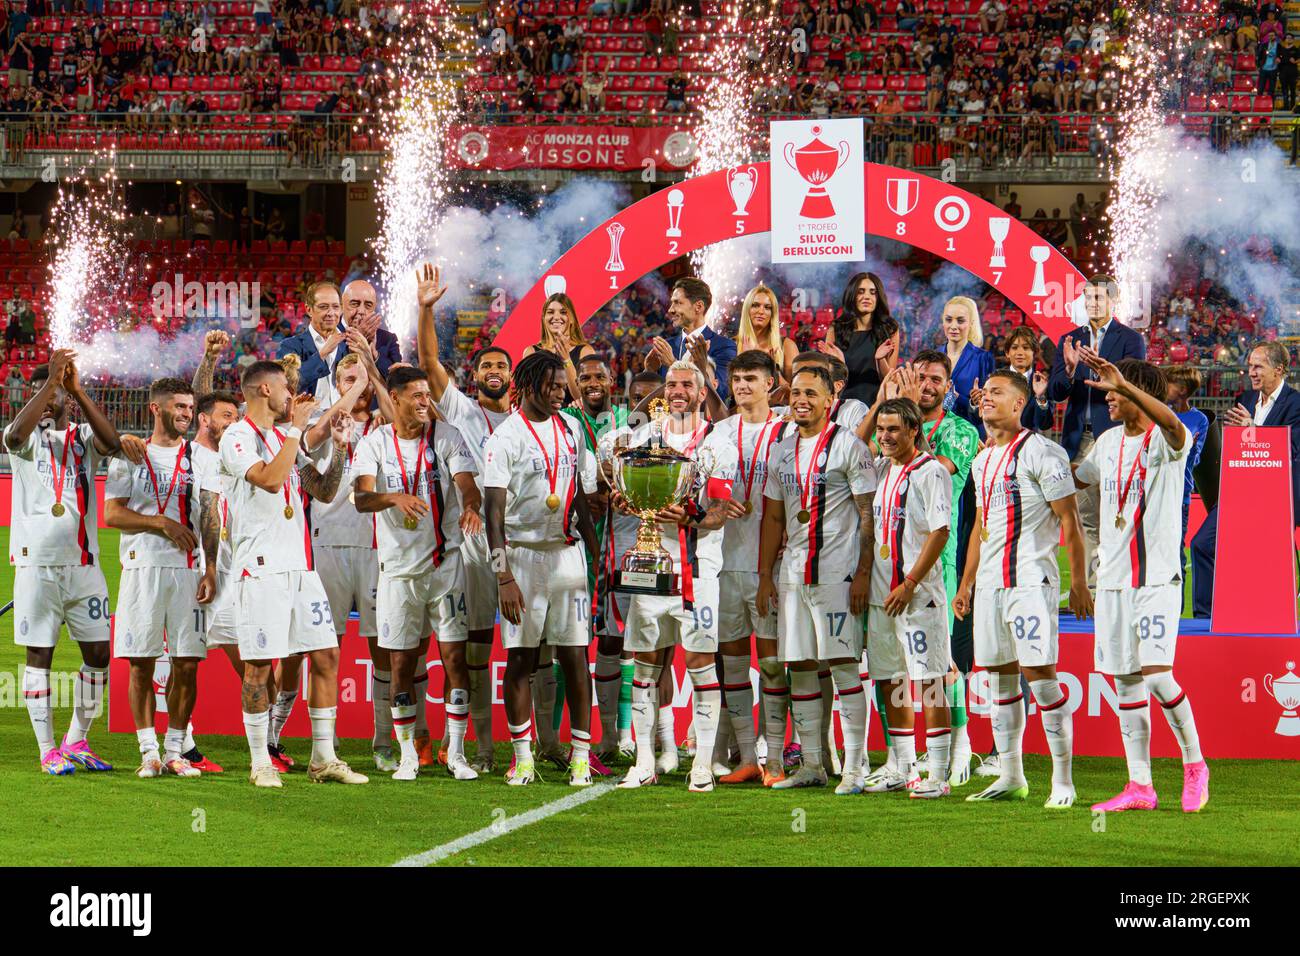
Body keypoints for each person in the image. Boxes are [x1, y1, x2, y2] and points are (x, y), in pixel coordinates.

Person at [1071, 353, 1209, 814]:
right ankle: (1140, 786)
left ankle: (1195, 764)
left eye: (1114, 389)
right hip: (1112, 580)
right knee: (1126, 682)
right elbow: (1078, 476)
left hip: (1155, 578)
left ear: (1137, 392)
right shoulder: (1108, 443)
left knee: (1157, 675)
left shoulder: (1170, 439)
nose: (1107, 396)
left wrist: (1128, 387)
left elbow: (1171, 421)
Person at [218, 360, 363, 788]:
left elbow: (322, 489)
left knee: (326, 656)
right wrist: (298, 430)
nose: (291, 396)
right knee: (260, 668)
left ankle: (323, 757)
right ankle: (260, 760)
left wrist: (337, 445)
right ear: (264, 389)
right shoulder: (238, 437)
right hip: (261, 570)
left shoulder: (285, 436)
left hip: (301, 570)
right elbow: (269, 479)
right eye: (285, 388)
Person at [954, 370, 1092, 807]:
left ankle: (1063, 781)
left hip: (1031, 582)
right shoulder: (981, 460)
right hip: (991, 585)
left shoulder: (1044, 453)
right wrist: (966, 584)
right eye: (985, 393)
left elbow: (1069, 520)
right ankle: (1011, 776)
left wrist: (1080, 583)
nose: (986, 399)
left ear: (1019, 404)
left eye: (997, 393)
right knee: (999, 680)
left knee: (1041, 679)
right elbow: (980, 526)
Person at [615, 360, 742, 792]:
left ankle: (702, 764)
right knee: (646, 668)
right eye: (671, 384)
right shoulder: (643, 438)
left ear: (702, 392)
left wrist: (692, 515)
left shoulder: (718, 442)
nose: (678, 391)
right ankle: (645, 762)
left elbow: (721, 512)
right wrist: (626, 500)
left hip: (698, 571)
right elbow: (629, 495)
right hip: (650, 565)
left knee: (701, 665)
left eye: (687, 384)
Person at [353, 365, 483, 781]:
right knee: (402, 665)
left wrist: (470, 505)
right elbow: (361, 498)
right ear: (395, 398)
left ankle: (457, 752)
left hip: (445, 568)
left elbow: (467, 483)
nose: (425, 401)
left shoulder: (446, 437)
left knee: (454, 659)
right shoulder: (374, 443)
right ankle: (408, 753)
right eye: (416, 395)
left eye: (428, 394)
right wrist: (395, 497)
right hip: (397, 573)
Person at [756, 363, 877, 793]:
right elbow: (772, 518)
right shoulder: (780, 450)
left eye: (810, 394)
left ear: (830, 400)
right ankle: (811, 765)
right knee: (802, 667)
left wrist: (863, 574)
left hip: (836, 573)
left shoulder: (852, 447)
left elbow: (868, 515)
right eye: (795, 395)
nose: (801, 401)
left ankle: (855, 768)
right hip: (792, 574)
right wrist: (763, 577)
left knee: (844, 667)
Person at [483, 351, 600, 786]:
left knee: (574, 656)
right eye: (551, 387)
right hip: (522, 556)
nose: (559, 394)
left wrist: (596, 555)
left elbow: (583, 500)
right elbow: (491, 515)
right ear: (529, 386)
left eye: (560, 387)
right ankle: (523, 758)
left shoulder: (571, 428)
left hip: (567, 555)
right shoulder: (505, 438)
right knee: (521, 658)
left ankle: (582, 759)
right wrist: (503, 576)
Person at [864, 353, 980, 786]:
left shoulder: (959, 432)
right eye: (918, 377)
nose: (926, 384)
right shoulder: (888, 454)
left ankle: (957, 745)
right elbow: (864, 455)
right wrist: (887, 403)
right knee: (893, 669)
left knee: (936, 667)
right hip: (887, 577)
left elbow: (941, 482)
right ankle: (903, 762)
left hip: (934, 568)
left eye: (935, 379)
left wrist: (907, 409)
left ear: (949, 386)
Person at [4, 351, 121, 776]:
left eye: (57, 396)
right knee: (41, 655)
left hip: (85, 566)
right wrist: (49, 383)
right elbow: (15, 436)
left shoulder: (85, 438)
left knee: (98, 655)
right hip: (38, 568)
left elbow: (113, 444)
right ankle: (47, 749)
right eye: (45, 393)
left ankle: (76, 740)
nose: (52, 401)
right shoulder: (25, 439)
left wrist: (75, 389)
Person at [416, 263, 511, 771]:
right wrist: (426, 309)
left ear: (512, 376)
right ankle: (482, 747)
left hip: (521, 544)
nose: (492, 371)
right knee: (476, 650)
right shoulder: (459, 411)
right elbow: (429, 360)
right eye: (485, 366)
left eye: (501, 365)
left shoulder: (526, 421)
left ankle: (533, 746)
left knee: (527, 649)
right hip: (471, 543)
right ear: (475, 377)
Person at [105, 378, 220, 779]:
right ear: (156, 409)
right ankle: (148, 751)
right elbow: (113, 514)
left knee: (187, 664)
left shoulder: (201, 458)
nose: (187, 414)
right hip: (142, 567)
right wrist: (160, 523)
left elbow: (209, 514)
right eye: (179, 407)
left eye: (190, 408)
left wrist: (211, 568)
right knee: (141, 662)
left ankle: (175, 750)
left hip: (188, 570)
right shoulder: (130, 454)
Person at [304, 352, 396, 771]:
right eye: (346, 378)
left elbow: (398, 418)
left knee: (382, 647)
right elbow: (314, 441)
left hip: (377, 545)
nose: (354, 385)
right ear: (336, 383)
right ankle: (328, 742)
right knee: (328, 647)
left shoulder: (383, 425)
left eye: (360, 378)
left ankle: (382, 741)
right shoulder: (320, 422)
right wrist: (354, 393)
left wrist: (373, 380)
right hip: (330, 545)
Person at [860, 398, 954, 798]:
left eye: (894, 429)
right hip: (883, 595)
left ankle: (938, 775)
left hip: (917, 596)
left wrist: (910, 581)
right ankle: (901, 765)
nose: (885, 436)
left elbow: (940, 531)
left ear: (914, 431)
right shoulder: (880, 469)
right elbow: (853, 445)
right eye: (881, 429)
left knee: (929, 682)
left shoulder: (931, 471)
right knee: (891, 678)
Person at [713, 351, 785, 785]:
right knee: (735, 666)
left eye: (750, 379)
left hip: (771, 568)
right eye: (736, 379)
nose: (741, 386)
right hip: (725, 563)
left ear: (771, 383)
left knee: (774, 665)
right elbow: (704, 486)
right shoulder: (718, 432)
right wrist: (719, 502)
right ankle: (745, 758)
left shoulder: (787, 432)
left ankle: (774, 759)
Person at [1045, 275, 1146, 585]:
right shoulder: (1069, 338)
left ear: (1113, 301)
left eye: (1099, 298)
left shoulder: (1130, 340)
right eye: (1088, 298)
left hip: (1116, 436)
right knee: (1087, 518)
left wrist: (1105, 373)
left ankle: (1120, 581)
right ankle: (1091, 589)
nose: (1092, 303)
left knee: (1118, 513)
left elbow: (1134, 388)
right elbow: (1055, 392)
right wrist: (1072, 371)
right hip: (1080, 438)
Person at [1191, 341, 1300, 618]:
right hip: (1240, 492)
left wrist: (1253, 429)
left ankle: (1262, 618)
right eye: (1250, 365)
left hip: (1275, 499)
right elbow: (1243, 442)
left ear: (1279, 369)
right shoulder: (1247, 399)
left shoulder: (1296, 403)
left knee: (1259, 563)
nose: (1250, 371)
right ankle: (1205, 619)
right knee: (1202, 544)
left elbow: (1292, 450)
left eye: (1258, 366)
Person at [561, 355, 626, 766]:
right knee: (569, 641)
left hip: (620, 539)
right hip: (575, 543)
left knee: (616, 638)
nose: (591, 383)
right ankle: (560, 740)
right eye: (584, 377)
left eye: (599, 376)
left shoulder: (630, 416)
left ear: (612, 379)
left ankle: (615, 736)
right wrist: (586, 498)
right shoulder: (565, 418)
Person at [643, 277, 738, 403]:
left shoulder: (724, 346)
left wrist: (673, 364)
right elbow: (649, 397)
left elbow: (721, 392)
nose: (671, 310)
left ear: (698, 307)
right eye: (672, 303)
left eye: (677, 303)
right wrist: (649, 371)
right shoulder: (667, 346)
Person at [823, 272, 899, 407]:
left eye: (873, 292)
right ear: (852, 295)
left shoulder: (890, 329)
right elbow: (829, 381)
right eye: (861, 292)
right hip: (843, 404)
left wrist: (880, 359)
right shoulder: (836, 329)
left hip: (877, 404)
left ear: (878, 297)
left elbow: (889, 380)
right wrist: (839, 364)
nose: (866, 297)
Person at [1164, 366, 1207, 585]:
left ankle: (1176, 610)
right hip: (1155, 493)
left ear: (1182, 390)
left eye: (1168, 383)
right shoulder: (1158, 412)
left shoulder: (1199, 420)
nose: (1163, 387)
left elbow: (1195, 460)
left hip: (1180, 494)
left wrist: (1186, 450)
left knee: (1176, 552)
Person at [522, 292, 596, 405]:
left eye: (563, 312)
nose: (556, 317)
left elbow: (583, 397)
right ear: (544, 318)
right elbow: (528, 398)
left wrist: (566, 359)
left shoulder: (585, 351)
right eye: (550, 312)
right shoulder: (531, 352)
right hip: (543, 420)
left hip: (576, 420)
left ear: (571, 319)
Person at [939, 296, 995, 437]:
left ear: (971, 323)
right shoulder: (933, 356)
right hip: (938, 433)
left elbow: (989, 405)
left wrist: (975, 402)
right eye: (949, 319)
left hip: (970, 434)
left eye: (960, 320)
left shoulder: (983, 358)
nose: (953, 326)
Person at [734, 283, 797, 387]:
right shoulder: (732, 345)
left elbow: (794, 393)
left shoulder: (787, 346)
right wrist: (746, 359)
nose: (761, 311)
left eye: (767, 307)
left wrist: (773, 370)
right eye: (755, 305)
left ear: (773, 313)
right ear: (747, 309)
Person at [1001, 324, 1054, 430]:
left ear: (1035, 352)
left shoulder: (1042, 384)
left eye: (1026, 348)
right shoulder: (995, 379)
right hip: (999, 444)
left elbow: (1044, 425)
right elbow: (978, 417)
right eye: (1015, 348)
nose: (1020, 353)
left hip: (1029, 443)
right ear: (1007, 353)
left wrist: (1040, 397)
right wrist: (974, 404)